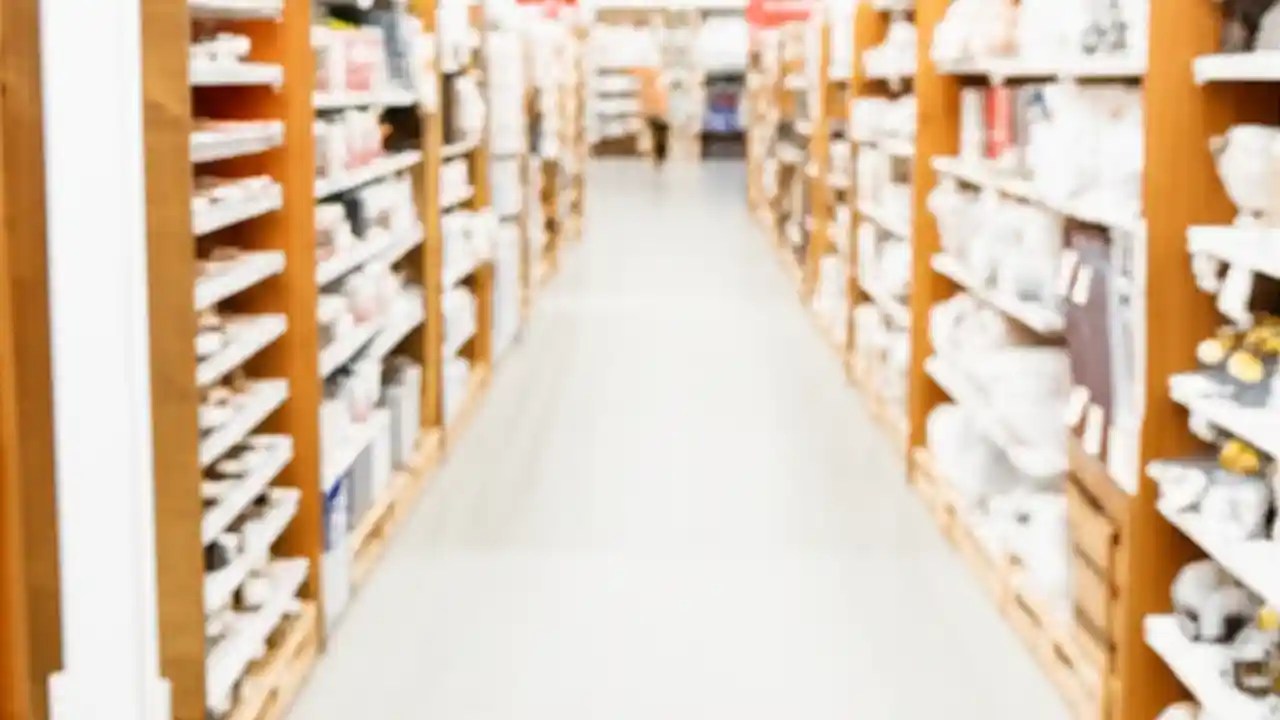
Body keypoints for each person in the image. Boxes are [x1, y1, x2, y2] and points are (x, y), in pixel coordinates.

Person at [637, 66, 669, 166]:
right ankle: (658, 154)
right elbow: (644, 105)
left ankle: (660, 153)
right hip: (651, 115)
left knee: (662, 131)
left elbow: (662, 103)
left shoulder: (657, 90)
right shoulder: (647, 90)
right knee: (659, 131)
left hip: (657, 115)